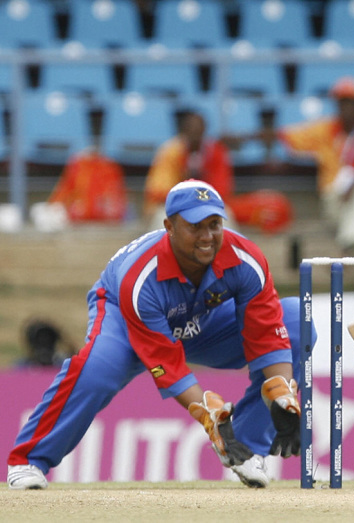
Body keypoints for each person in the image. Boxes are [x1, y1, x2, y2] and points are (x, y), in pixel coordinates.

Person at [7, 180, 314, 490]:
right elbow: (167, 365)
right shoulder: (140, 278)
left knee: (297, 320)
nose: (207, 236)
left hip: (201, 320)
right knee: (98, 371)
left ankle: (247, 449)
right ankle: (28, 460)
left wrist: (283, 395)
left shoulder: (245, 259)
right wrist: (210, 417)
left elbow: (268, 335)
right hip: (124, 316)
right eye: (195, 226)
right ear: (169, 226)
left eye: (214, 224)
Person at [276, 76, 354, 286]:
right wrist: (245, 137)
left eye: (350, 102)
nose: (345, 108)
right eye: (341, 102)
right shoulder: (325, 130)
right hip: (338, 201)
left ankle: (349, 242)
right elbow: (287, 137)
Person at [144, 112, 292, 234]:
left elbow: (222, 192)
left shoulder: (215, 151)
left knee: (225, 219)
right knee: (163, 220)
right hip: (173, 207)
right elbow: (158, 194)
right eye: (191, 130)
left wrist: (202, 185)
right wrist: (186, 185)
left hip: (209, 204)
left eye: (199, 131)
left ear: (205, 131)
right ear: (183, 131)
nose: (195, 135)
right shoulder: (171, 151)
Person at [47, 146, 129, 223]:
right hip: (84, 215)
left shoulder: (109, 168)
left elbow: (116, 193)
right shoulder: (79, 166)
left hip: (101, 215)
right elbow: (66, 189)